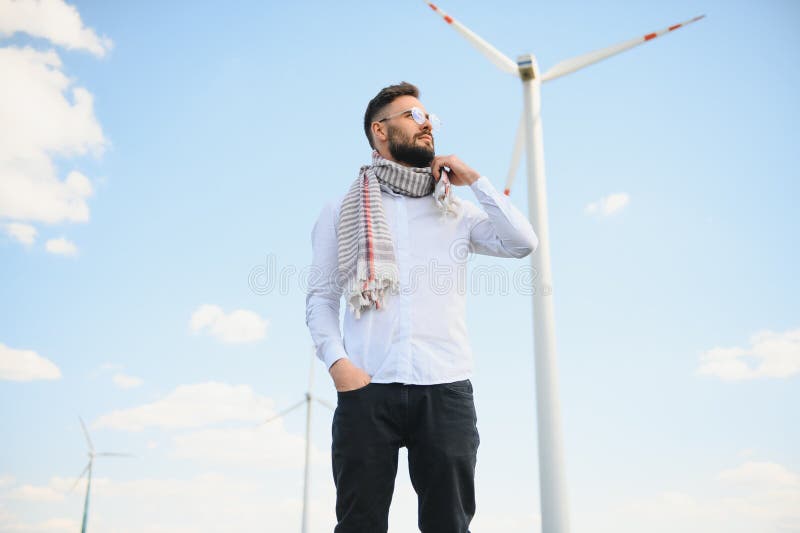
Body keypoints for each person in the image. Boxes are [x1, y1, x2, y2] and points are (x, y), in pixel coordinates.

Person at [305, 82, 538, 533]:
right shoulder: (340, 209)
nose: (426, 122)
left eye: (429, 115)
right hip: (367, 388)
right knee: (359, 525)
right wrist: (339, 366)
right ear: (380, 131)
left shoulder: (456, 208)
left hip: (445, 387)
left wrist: (476, 181)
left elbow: (522, 243)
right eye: (412, 116)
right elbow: (320, 298)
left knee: (449, 525)